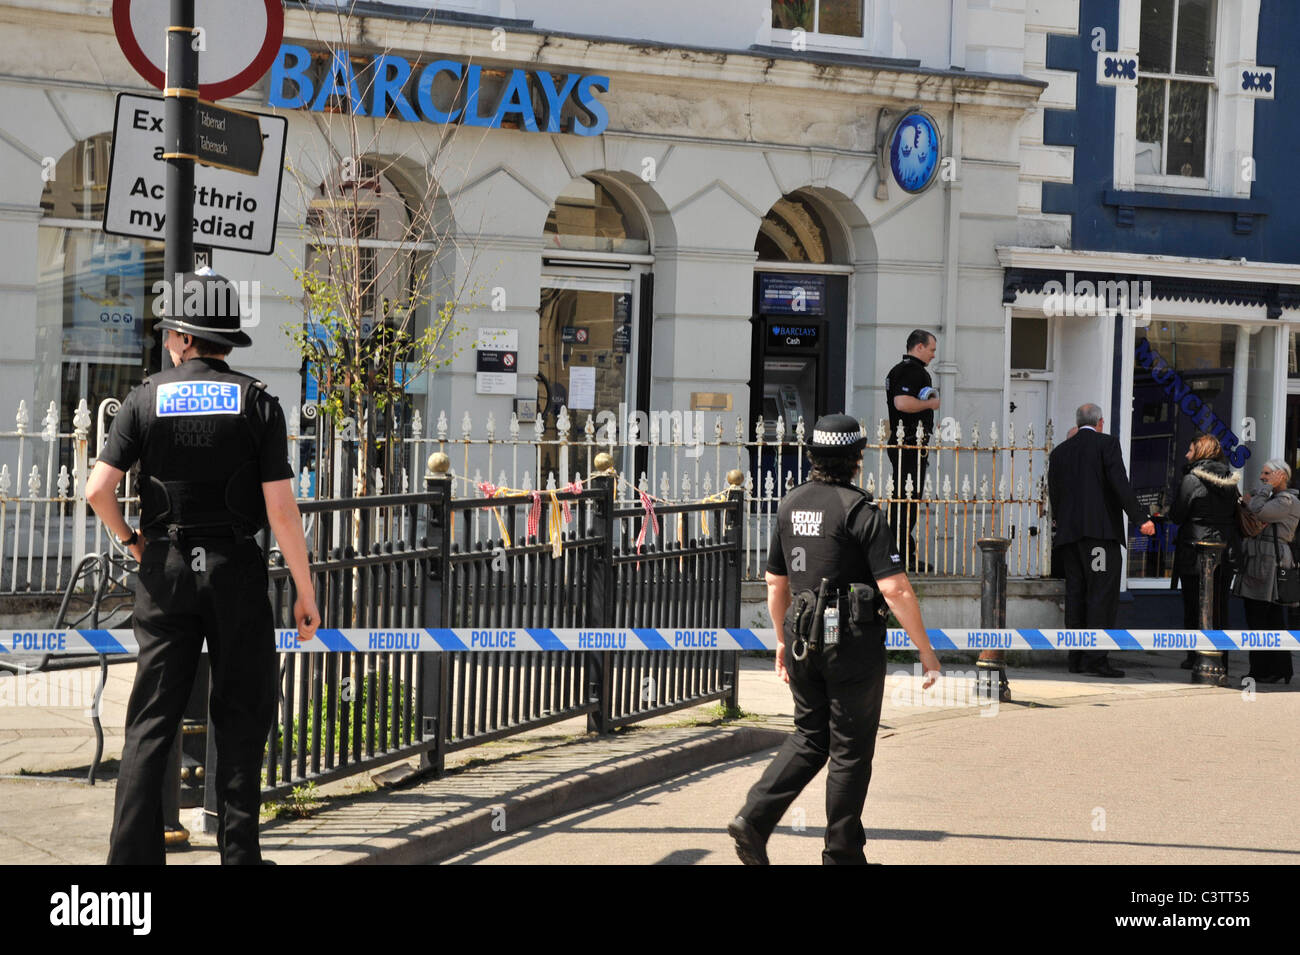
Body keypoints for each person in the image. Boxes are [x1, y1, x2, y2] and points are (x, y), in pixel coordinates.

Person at [86, 270, 320, 865]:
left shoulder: (144, 399)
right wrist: (304, 588)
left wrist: (133, 542)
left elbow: (98, 489)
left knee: (151, 720)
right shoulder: (257, 402)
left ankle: (128, 872)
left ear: (187, 339)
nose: (167, 341)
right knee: (240, 717)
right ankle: (240, 857)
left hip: (164, 571)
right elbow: (282, 511)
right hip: (234, 572)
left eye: (170, 333)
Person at [729, 414, 941, 865]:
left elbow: (774, 583)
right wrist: (926, 650)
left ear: (814, 456)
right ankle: (842, 857)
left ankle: (753, 818)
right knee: (849, 748)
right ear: (856, 458)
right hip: (850, 641)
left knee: (809, 736)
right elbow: (895, 589)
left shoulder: (789, 504)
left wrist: (782, 641)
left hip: (801, 633)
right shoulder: (861, 510)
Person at [1047, 403, 1155, 678]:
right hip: (1099, 535)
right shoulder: (1106, 445)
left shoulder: (1060, 452)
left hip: (1069, 537)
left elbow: (1055, 493)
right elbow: (1120, 483)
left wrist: (1060, 522)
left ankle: (1077, 658)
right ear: (1100, 422)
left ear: (1078, 420)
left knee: (1076, 595)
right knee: (1100, 596)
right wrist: (1140, 518)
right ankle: (1096, 659)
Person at [1168, 434, 1239, 668]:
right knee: (1219, 605)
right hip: (1224, 551)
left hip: (1194, 551)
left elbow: (1177, 515)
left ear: (1200, 453)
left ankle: (1196, 657)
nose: (1187, 455)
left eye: (1190, 450)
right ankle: (1221, 659)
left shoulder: (1191, 479)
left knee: (1194, 605)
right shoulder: (1230, 479)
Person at [1233, 458, 1299, 684]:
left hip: (1270, 562)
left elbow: (1255, 509)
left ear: (1281, 476)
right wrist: (1262, 491)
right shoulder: (1273, 498)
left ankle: (1264, 669)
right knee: (1267, 617)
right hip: (1259, 558)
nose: (1262, 477)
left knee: (1261, 617)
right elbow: (1248, 500)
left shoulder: (1287, 500)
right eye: (1262, 474)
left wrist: (1265, 490)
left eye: (1267, 474)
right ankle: (1278, 668)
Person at [884, 330, 940, 569]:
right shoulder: (914, 372)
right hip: (908, 443)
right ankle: (902, 555)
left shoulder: (897, 370)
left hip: (903, 442)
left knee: (902, 498)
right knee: (907, 500)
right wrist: (930, 404)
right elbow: (901, 402)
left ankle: (899, 552)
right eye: (931, 349)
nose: (933, 355)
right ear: (919, 347)